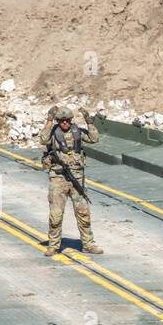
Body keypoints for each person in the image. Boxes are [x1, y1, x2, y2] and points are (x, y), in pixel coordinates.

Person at [40, 107, 102, 255]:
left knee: (83, 212)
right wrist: (49, 120)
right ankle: (54, 245)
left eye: (67, 120)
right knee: (56, 215)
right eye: (62, 121)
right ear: (58, 121)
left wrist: (89, 121)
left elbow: (94, 138)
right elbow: (43, 139)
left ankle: (88, 243)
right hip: (58, 178)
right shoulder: (53, 133)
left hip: (76, 178)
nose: (65, 123)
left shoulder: (77, 132)